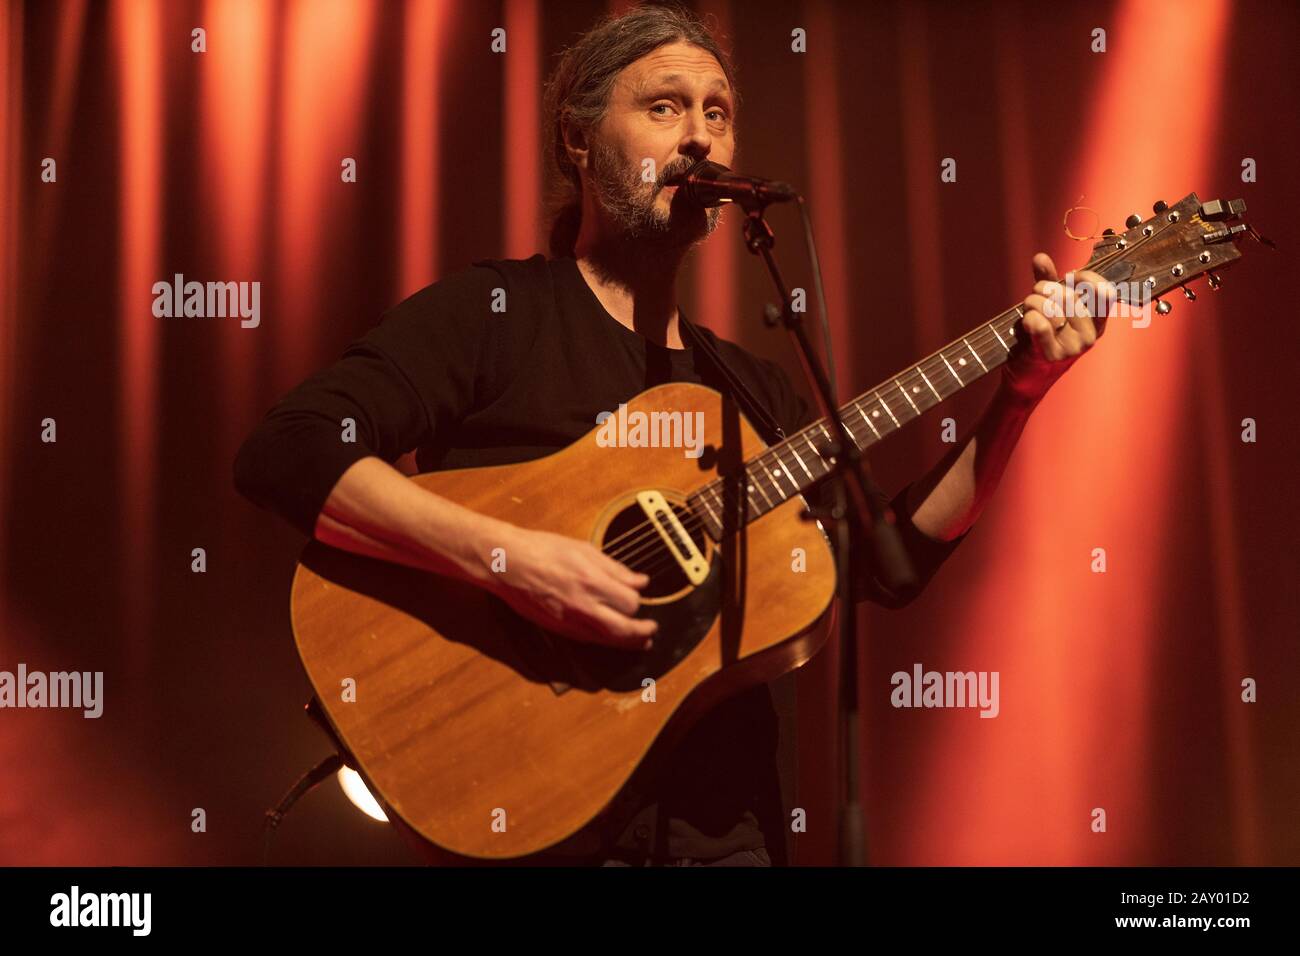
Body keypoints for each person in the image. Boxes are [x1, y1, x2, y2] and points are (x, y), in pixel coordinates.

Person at [233, 3, 1111, 867]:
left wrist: (1018, 400)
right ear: (578, 141)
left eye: (718, 112)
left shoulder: (754, 388)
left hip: (728, 841)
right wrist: (514, 560)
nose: (701, 136)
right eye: (664, 106)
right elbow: (291, 449)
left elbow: (892, 562)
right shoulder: (495, 316)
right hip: (532, 812)